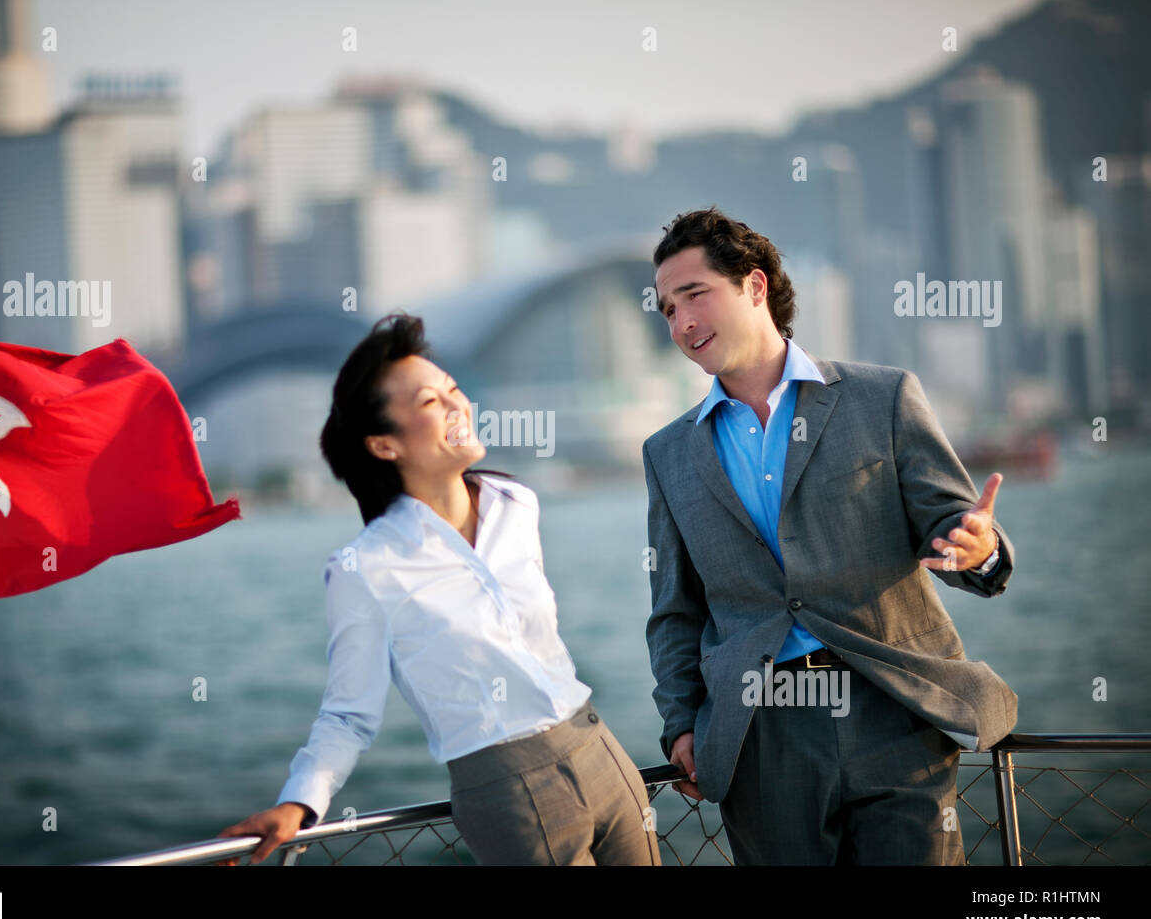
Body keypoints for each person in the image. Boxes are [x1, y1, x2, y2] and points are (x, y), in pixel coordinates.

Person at [643, 207, 1017, 864]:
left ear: (754, 287)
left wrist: (978, 550)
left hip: (892, 708)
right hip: (760, 734)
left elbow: (954, 527)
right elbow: (676, 610)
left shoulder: (883, 398)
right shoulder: (668, 453)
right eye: (668, 309)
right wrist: (681, 724)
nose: (683, 323)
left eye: (694, 295)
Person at [219, 313, 660, 865]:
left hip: (602, 753)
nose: (457, 405)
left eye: (454, 390)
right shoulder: (368, 567)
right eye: (430, 402)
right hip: (513, 793)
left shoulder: (516, 504)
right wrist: (299, 803)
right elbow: (348, 714)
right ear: (384, 445)